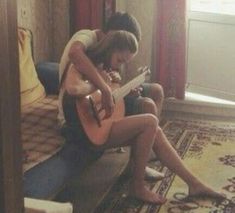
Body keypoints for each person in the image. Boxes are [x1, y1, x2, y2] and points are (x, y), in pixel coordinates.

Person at [60, 30, 224, 204]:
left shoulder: (104, 68)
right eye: (120, 60)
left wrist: (117, 88)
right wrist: (100, 83)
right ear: (110, 48)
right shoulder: (83, 63)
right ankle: (137, 187)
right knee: (149, 122)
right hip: (79, 131)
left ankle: (194, 183)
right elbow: (74, 89)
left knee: (155, 131)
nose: (119, 65)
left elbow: (105, 99)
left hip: (99, 125)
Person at [58, 12, 164, 180]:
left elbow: (109, 82)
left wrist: (120, 87)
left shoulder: (108, 54)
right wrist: (104, 87)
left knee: (156, 90)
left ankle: (141, 157)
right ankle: (139, 164)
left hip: (100, 95)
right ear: (114, 35)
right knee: (147, 106)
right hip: (80, 108)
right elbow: (75, 54)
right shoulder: (87, 36)